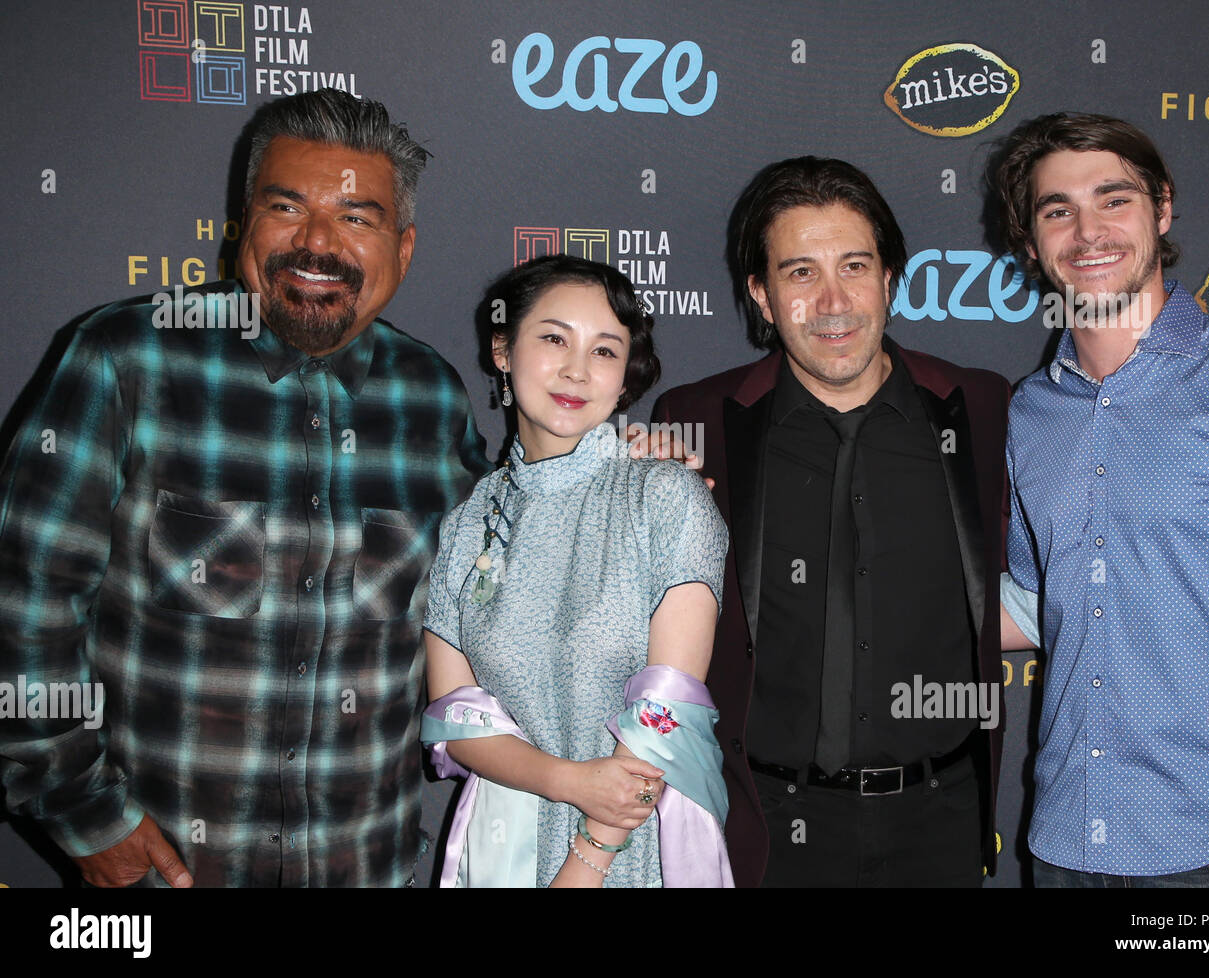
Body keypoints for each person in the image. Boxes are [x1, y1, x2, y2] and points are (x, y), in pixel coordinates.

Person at [0, 89, 490, 886]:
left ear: (404, 247)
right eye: (286, 205)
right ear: (244, 224)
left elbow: (499, 592)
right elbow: (23, 604)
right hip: (164, 877)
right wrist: (82, 812)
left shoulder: (431, 398)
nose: (317, 242)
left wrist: (625, 480)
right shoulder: (126, 359)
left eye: (356, 218)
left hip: (367, 867)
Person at [652, 157, 1011, 887]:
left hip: (942, 825)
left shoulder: (981, 408)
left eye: (855, 265)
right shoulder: (696, 422)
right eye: (800, 273)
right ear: (760, 294)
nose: (834, 301)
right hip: (766, 830)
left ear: (890, 279)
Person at [995, 112, 1209, 887]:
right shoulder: (1031, 412)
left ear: (1161, 209)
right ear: (1031, 242)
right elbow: (1032, 606)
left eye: (1114, 199)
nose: (1087, 232)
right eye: (1057, 210)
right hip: (1065, 840)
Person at [421, 254, 732, 887]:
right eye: (554, 338)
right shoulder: (467, 524)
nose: (576, 370)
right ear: (503, 349)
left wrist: (585, 865)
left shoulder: (666, 497)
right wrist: (569, 781)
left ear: (625, 379)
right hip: (503, 846)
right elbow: (454, 721)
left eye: (605, 351)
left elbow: (669, 709)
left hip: (635, 849)